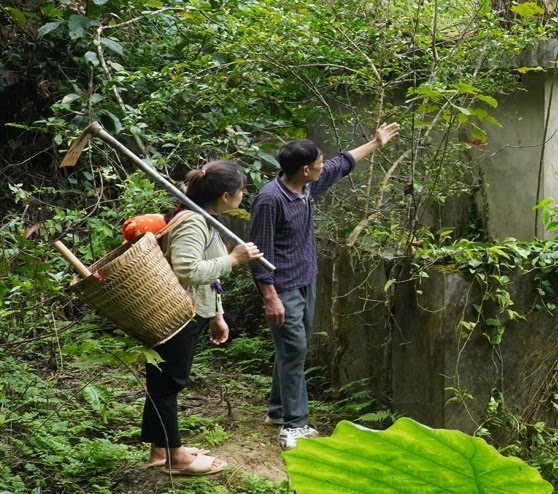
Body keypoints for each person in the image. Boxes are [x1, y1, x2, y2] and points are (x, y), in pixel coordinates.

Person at [249, 123, 400, 450]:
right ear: (305, 169)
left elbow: (343, 162)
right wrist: (270, 297)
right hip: (282, 287)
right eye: (318, 161)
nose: (323, 164)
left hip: (306, 280)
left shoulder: (306, 187)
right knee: (295, 351)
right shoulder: (269, 201)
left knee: (291, 350)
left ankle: (277, 411)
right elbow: (258, 253)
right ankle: (294, 426)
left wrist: (375, 143)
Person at [142, 160, 261, 475]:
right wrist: (234, 259)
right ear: (225, 196)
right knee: (169, 384)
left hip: (188, 311)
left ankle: (159, 449)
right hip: (176, 314)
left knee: (161, 382)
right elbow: (188, 270)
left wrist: (216, 314)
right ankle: (177, 457)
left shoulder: (204, 218)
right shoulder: (194, 222)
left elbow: (208, 276)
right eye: (240, 190)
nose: (242, 194)